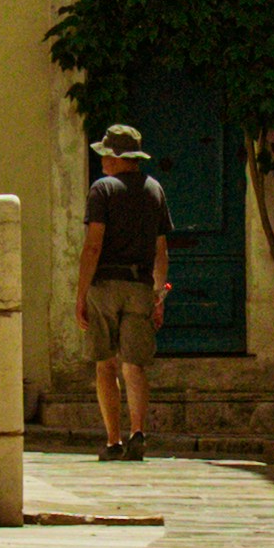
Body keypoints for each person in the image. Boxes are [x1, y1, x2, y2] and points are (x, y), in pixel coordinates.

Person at [74, 119, 175, 461]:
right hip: (139, 286)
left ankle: (113, 440)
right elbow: (161, 250)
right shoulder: (155, 191)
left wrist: (80, 294)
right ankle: (138, 432)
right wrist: (158, 294)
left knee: (105, 363)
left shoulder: (102, 189)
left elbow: (93, 246)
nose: (102, 161)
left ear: (117, 157)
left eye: (106, 155)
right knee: (135, 364)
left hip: (105, 285)